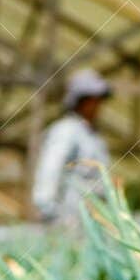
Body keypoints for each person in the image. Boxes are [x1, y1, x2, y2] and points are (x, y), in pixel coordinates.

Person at [32, 69, 113, 223]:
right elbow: (51, 167)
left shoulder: (93, 136)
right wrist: (47, 207)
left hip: (92, 220)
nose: (98, 105)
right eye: (93, 100)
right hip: (69, 218)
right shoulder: (67, 130)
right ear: (81, 101)